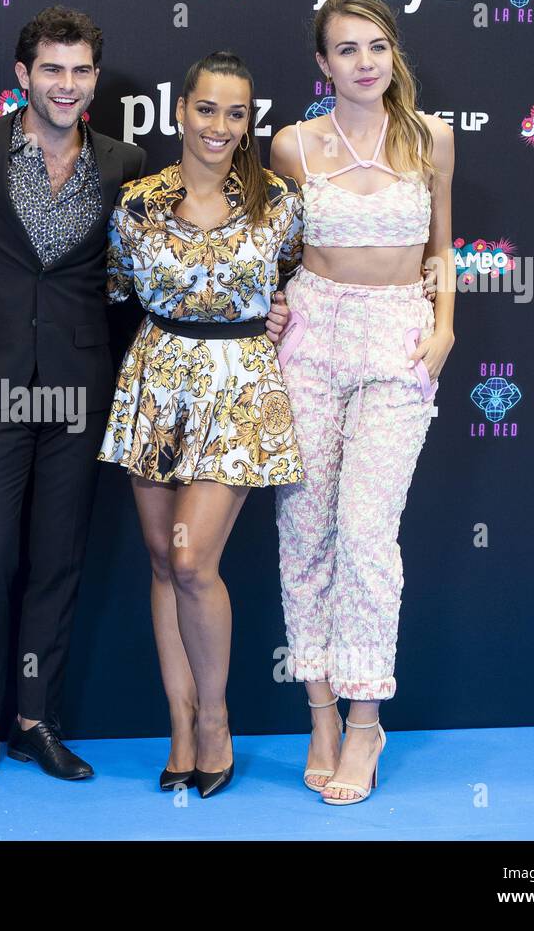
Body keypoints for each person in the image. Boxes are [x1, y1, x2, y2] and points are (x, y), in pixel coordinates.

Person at [100, 52, 306, 799]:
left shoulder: (279, 200)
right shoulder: (137, 202)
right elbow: (119, 285)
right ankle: (179, 725)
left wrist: (274, 312)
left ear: (249, 121)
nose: (220, 126)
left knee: (191, 563)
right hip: (158, 381)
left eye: (236, 112)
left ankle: (215, 719)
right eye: (208, 109)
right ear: (180, 111)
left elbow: (295, 277)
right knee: (160, 560)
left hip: (241, 387)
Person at [270, 0, 456, 805]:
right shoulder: (292, 147)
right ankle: (319, 711)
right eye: (346, 49)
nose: (364, 63)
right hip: (311, 338)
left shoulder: (431, 140)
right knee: (304, 527)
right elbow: (275, 251)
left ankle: (367, 716)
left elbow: (443, 247)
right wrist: (273, 304)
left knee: (368, 531)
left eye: (376, 46)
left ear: (393, 54)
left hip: (397, 339)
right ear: (322, 63)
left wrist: (444, 327)